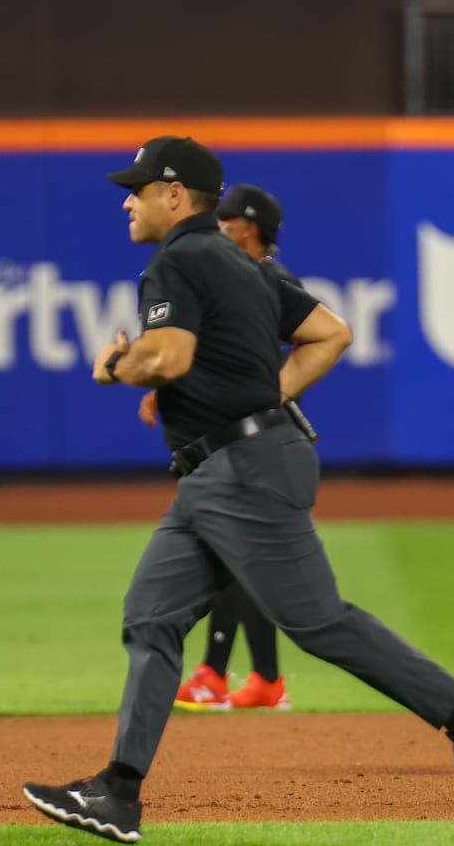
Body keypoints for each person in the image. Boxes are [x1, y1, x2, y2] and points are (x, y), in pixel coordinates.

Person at [23, 136, 454, 842]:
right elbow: (331, 333)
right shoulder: (239, 263)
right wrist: (260, 401)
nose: (127, 201)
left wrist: (113, 363)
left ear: (175, 194)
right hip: (224, 469)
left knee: (315, 620)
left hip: (240, 472)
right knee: (152, 616)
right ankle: (119, 791)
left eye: (137, 188)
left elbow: (166, 355)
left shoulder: (177, 260)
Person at [168, 183, 297, 712]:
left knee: (232, 552)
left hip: (258, 443)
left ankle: (214, 675)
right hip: (229, 437)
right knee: (238, 553)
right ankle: (263, 678)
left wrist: (273, 397)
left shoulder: (270, 279)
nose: (216, 227)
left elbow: (321, 338)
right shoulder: (234, 277)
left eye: (224, 220)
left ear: (245, 226)